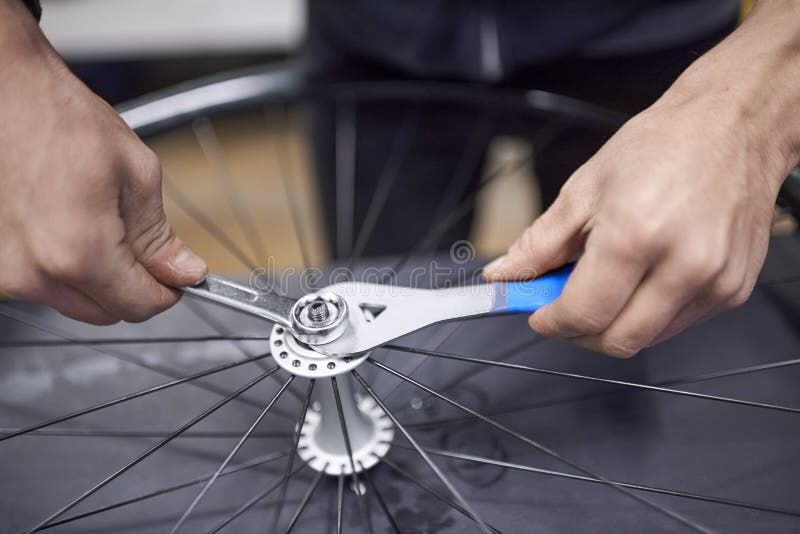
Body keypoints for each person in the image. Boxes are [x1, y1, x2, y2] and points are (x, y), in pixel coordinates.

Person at [1, 0, 797, 358]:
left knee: (634, 326)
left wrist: (752, 106)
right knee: (392, 320)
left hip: (659, 45)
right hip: (374, 38)